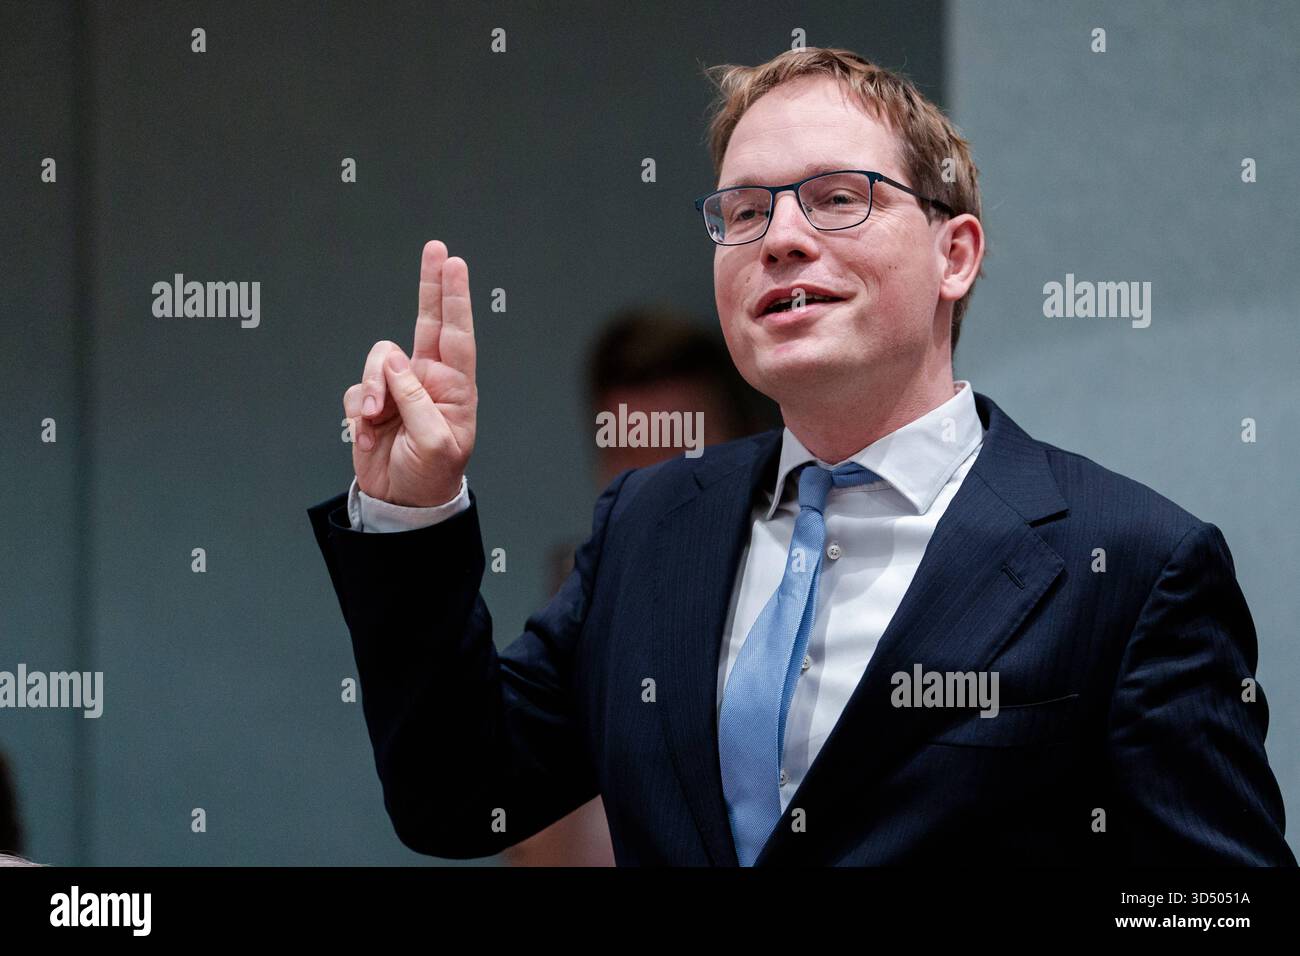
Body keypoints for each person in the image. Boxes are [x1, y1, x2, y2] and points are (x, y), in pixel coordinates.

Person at [308, 48, 1294, 865]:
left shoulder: (1128, 564)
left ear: (954, 254)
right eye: (744, 213)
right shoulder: (651, 526)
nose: (779, 238)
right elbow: (458, 796)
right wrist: (413, 512)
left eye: (834, 198)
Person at [506, 310, 778, 865]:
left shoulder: (803, 598)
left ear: (748, 442)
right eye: (629, 455)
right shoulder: (584, 614)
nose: (657, 482)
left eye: (681, 450)